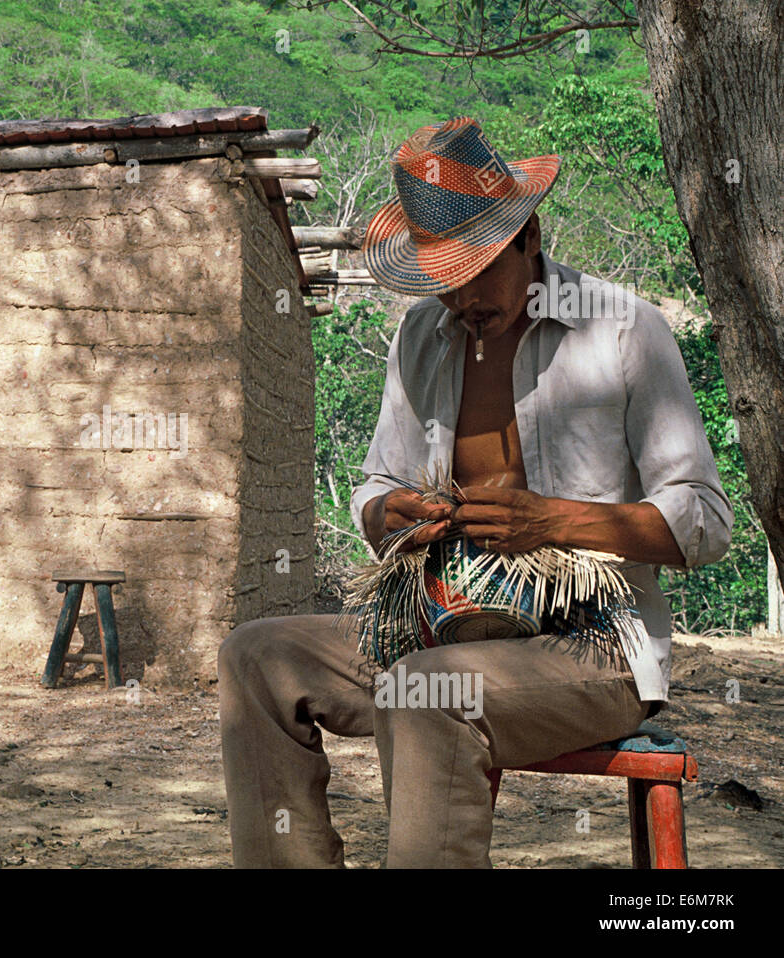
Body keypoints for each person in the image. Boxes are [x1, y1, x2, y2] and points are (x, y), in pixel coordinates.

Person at [218, 116, 732, 868]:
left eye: (477, 269)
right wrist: (386, 515)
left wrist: (553, 521)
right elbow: (379, 484)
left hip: (590, 648)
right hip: (433, 622)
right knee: (256, 656)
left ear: (529, 234)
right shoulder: (423, 337)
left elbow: (705, 523)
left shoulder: (624, 331)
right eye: (442, 277)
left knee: (423, 693)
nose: (459, 297)